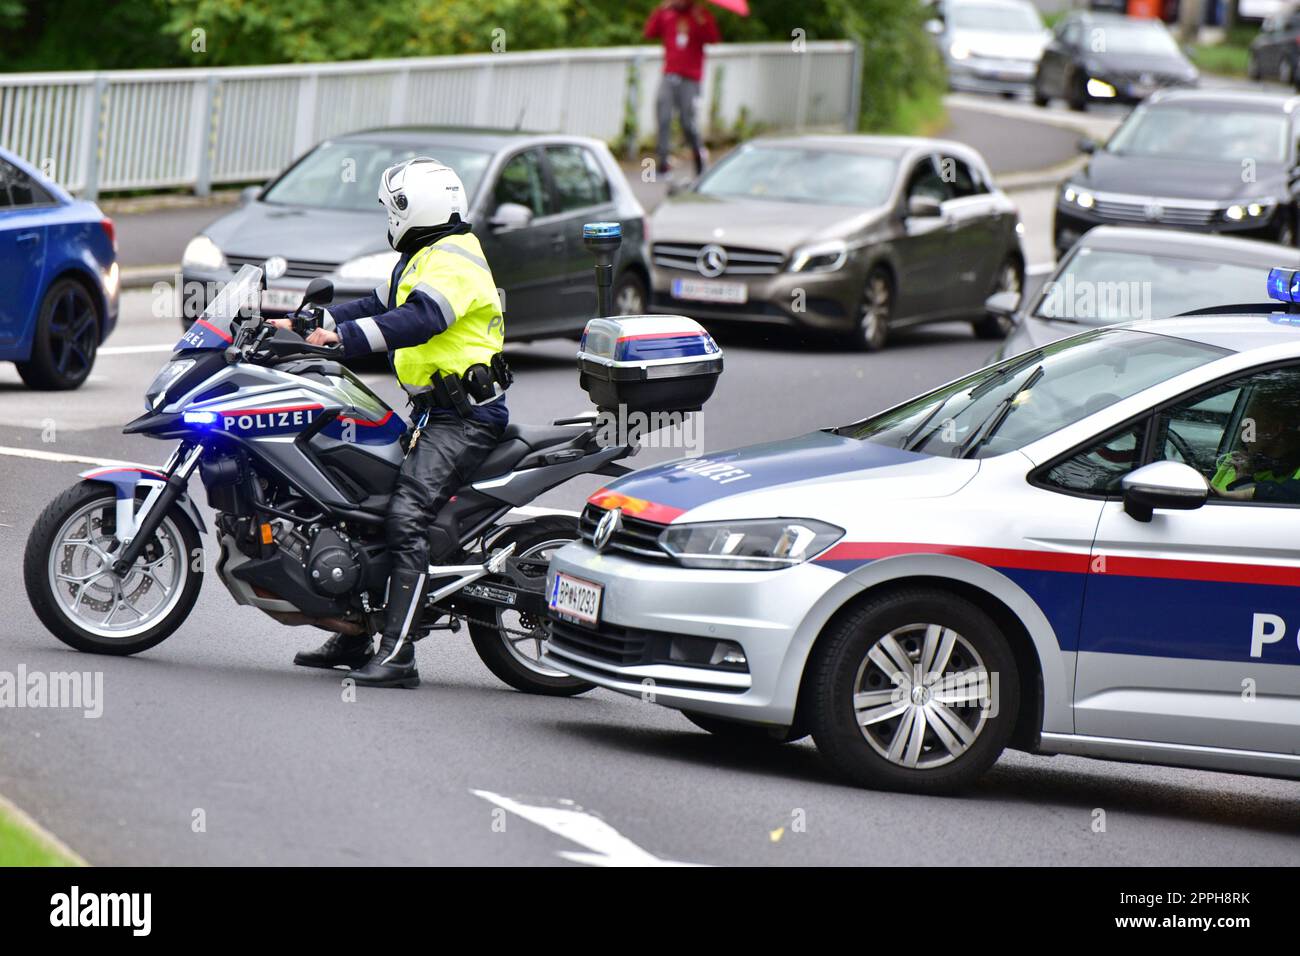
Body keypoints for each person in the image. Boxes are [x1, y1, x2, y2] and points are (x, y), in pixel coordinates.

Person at [280, 157, 511, 688]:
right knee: (362, 503)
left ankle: (399, 654)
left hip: (466, 418)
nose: (388, 219)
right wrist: (304, 321)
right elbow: (379, 303)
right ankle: (356, 630)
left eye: (392, 209)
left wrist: (345, 341)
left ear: (414, 209)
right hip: (435, 412)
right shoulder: (422, 257)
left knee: (406, 517)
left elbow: (420, 319)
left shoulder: (456, 260)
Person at [644, 0, 720, 179]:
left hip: (691, 78)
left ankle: (699, 160)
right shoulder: (667, 14)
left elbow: (713, 38)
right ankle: (663, 163)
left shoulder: (700, 15)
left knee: (688, 122)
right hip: (669, 74)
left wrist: (700, 18)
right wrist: (660, 9)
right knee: (663, 117)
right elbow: (649, 32)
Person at [1208, 392, 1300, 504]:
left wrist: (1243, 481)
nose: (1243, 431)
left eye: (1249, 423)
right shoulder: (1232, 461)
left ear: (1274, 429)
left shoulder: (1293, 477)